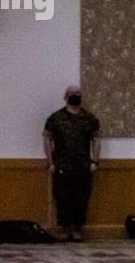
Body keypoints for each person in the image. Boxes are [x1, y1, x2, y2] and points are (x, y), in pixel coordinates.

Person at [43, 84, 100, 242]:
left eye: (78, 93)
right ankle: (64, 229)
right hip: (62, 165)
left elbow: (96, 140)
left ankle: (77, 230)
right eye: (72, 93)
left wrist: (95, 160)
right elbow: (47, 139)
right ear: (66, 96)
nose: (75, 95)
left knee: (81, 198)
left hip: (83, 166)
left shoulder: (90, 118)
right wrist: (50, 162)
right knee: (62, 198)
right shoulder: (55, 118)